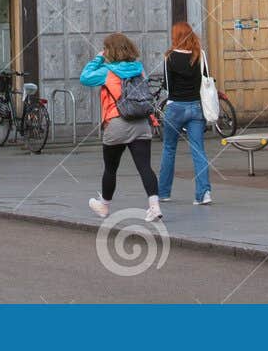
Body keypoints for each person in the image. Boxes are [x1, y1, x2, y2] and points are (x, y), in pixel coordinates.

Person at [79, 32, 160, 222]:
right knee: (145, 167)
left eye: (106, 48)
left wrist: (98, 58)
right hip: (141, 124)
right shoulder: (139, 69)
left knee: (111, 169)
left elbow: (84, 77)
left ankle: (104, 207)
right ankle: (154, 207)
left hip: (117, 124)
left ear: (110, 51)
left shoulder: (107, 71)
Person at [156, 21, 212, 206]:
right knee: (198, 150)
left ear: (176, 37)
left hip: (175, 108)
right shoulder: (200, 55)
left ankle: (163, 192)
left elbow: (168, 87)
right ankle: (204, 193)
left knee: (169, 148)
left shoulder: (169, 58)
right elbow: (206, 80)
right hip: (196, 107)